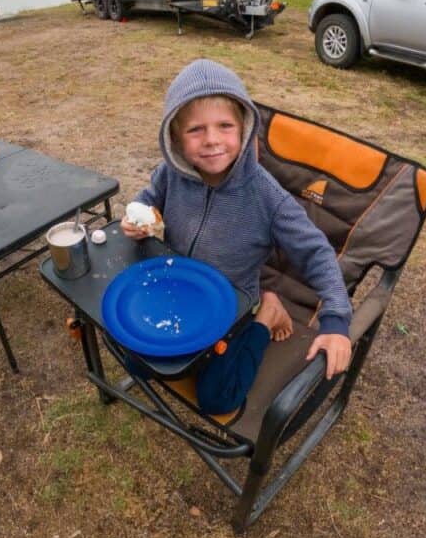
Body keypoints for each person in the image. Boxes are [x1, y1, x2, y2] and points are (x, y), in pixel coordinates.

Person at [121, 59, 353, 415]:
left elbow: (317, 252)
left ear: (243, 129)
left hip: (234, 304)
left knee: (218, 397)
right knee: (137, 361)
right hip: (177, 291)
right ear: (175, 140)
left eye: (225, 126)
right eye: (196, 130)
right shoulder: (171, 173)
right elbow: (147, 198)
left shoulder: (267, 196)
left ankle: (267, 314)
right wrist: (137, 216)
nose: (212, 140)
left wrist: (336, 321)